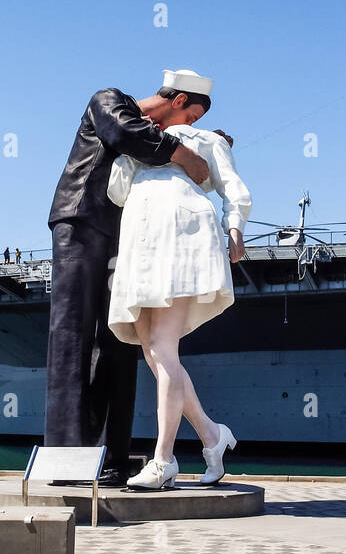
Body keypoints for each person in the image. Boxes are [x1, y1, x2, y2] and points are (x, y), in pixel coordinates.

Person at [45, 71, 213, 487]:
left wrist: (209, 145)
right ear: (176, 102)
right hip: (80, 222)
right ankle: (65, 458)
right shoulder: (108, 100)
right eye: (190, 118)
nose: (188, 129)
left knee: (120, 344)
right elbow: (125, 132)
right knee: (72, 335)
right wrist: (185, 154)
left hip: (126, 237)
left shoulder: (158, 140)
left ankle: (110, 459)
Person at [106, 121, 251, 489]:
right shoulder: (140, 143)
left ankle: (163, 459)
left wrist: (235, 227)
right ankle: (211, 435)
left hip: (183, 239)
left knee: (162, 347)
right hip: (141, 242)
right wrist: (132, 149)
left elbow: (232, 187)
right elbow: (117, 191)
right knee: (155, 354)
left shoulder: (208, 139)